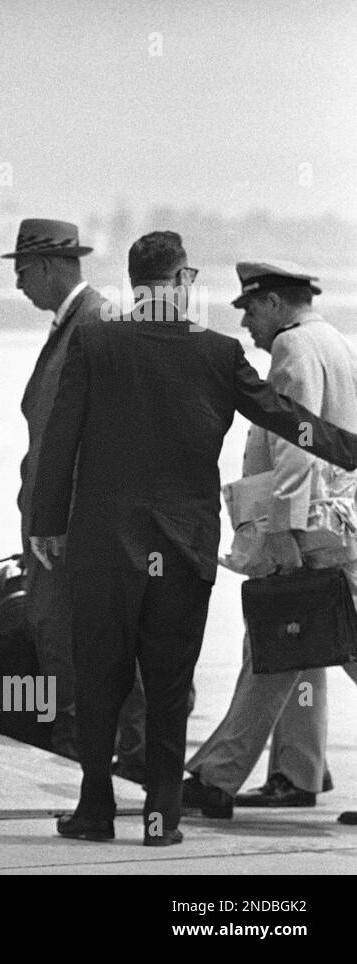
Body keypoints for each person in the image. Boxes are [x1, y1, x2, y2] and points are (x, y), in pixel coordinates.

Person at [30, 231, 357, 847]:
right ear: (183, 284)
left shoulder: (95, 341)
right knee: (169, 680)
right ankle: (162, 818)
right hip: (182, 548)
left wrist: (47, 523)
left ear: (133, 286)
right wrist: (350, 449)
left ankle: (95, 810)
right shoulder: (216, 353)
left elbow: (59, 436)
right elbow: (284, 418)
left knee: (101, 675)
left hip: (104, 542)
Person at [184, 260, 357, 818]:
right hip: (336, 521)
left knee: (273, 646)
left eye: (251, 310)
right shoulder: (333, 341)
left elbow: (296, 439)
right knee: (311, 645)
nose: (247, 325)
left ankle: (215, 778)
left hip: (307, 529)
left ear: (276, 305)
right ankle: (295, 772)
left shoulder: (293, 348)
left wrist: (283, 530)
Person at [3, 218, 107, 759]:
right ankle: (88, 748)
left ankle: (80, 751)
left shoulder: (94, 323)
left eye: (22, 272)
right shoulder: (76, 323)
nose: (19, 285)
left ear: (46, 266)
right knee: (61, 630)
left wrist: (56, 519)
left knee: (62, 631)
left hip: (66, 522)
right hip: (55, 518)